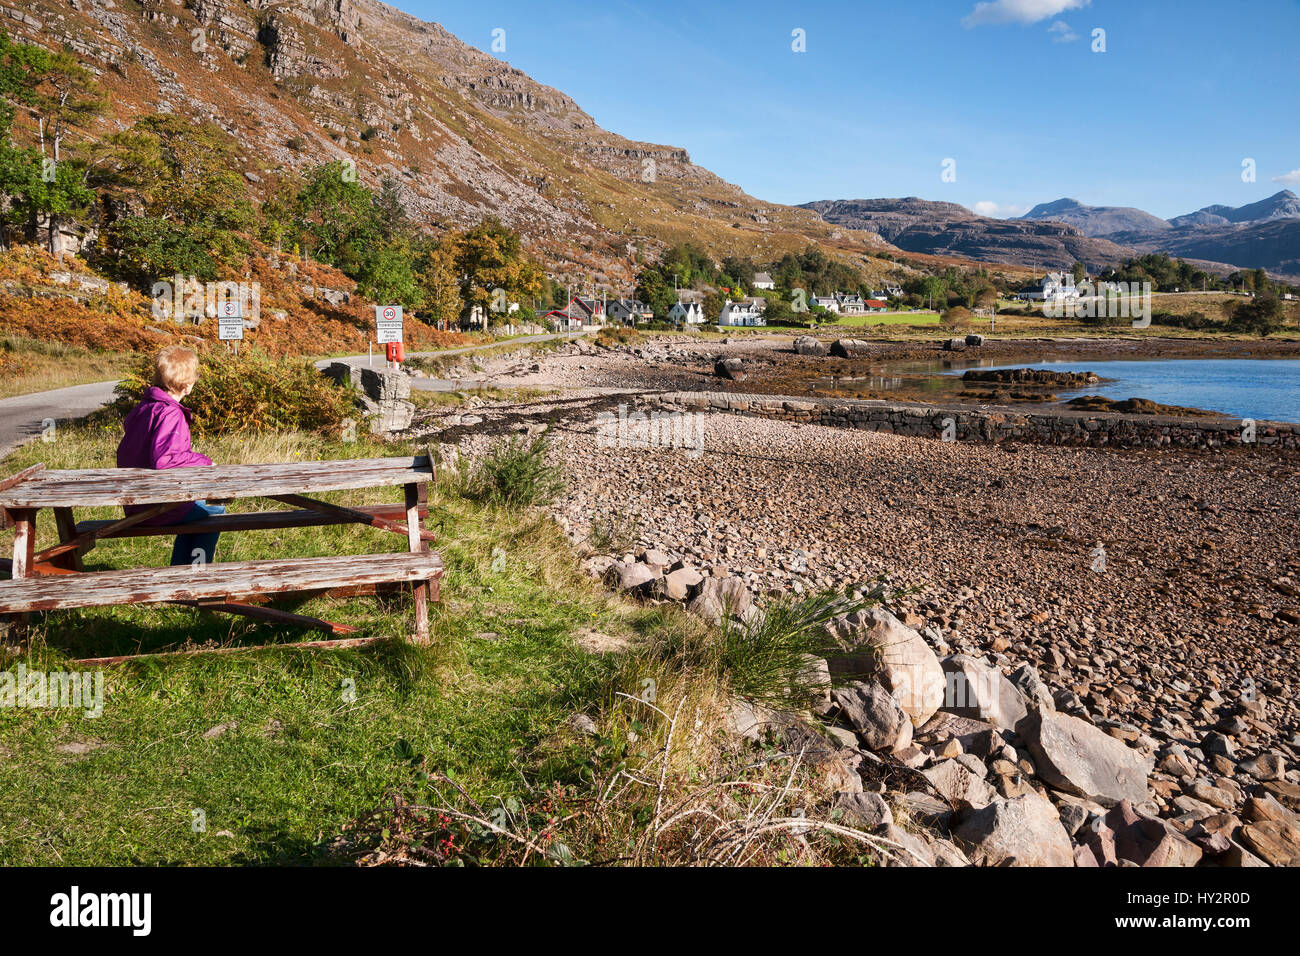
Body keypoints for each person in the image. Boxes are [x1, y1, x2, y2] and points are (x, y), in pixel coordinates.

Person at [116, 346, 223, 566]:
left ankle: (182, 570)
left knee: (198, 510)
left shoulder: (145, 407)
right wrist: (206, 462)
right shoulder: (171, 413)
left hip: (136, 501)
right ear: (187, 385)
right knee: (214, 509)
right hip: (155, 506)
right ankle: (195, 573)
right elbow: (165, 460)